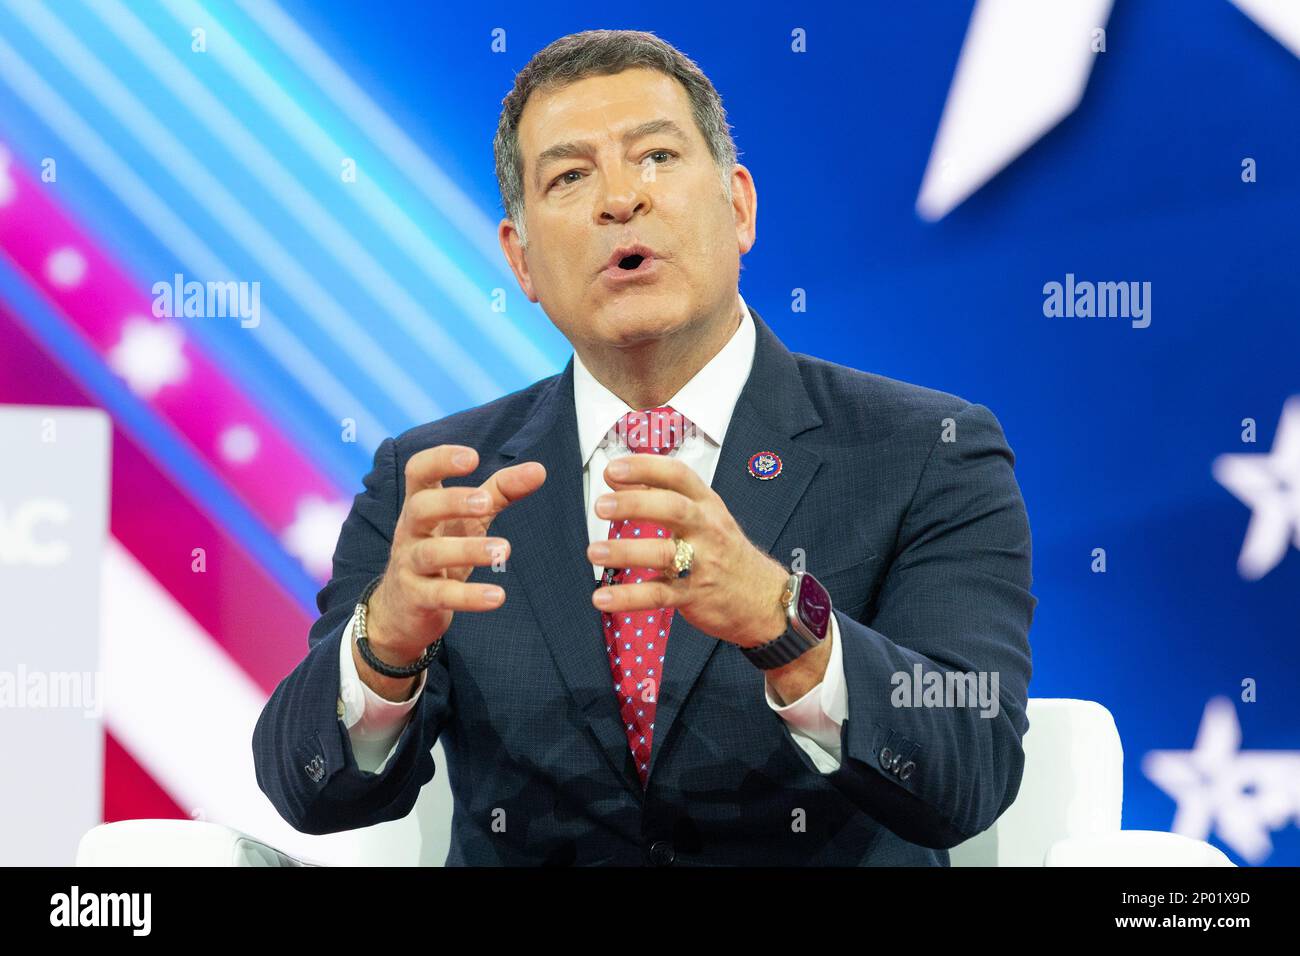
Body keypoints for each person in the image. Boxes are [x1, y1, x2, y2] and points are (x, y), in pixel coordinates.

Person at [252, 28, 1036, 866]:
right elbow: (308, 789)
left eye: (656, 157)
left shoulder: (924, 451)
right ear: (520, 261)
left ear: (738, 207)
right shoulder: (443, 482)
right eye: (569, 176)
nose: (619, 200)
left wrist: (785, 623)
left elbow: (972, 765)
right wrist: (384, 649)